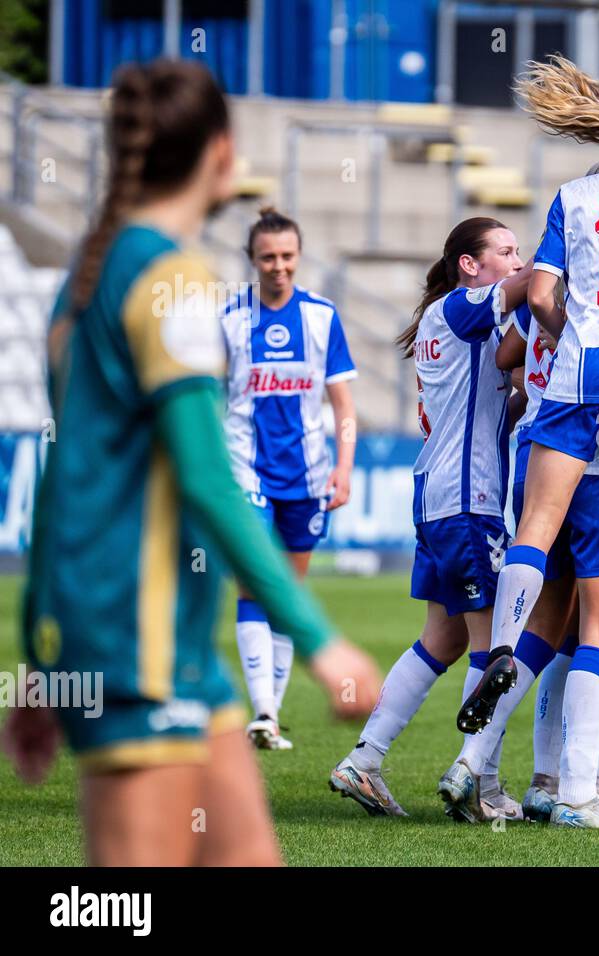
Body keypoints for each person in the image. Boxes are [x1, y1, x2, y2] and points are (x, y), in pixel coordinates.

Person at [3, 60, 378, 866]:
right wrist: (322, 642)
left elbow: (58, 481)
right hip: (133, 653)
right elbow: (208, 480)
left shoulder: (87, 279)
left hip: (175, 658)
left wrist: (39, 669)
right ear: (219, 151)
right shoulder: (173, 283)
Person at [329, 218, 533, 820]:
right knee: (492, 643)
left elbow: (490, 404)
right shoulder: (460, 308)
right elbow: (524, 291)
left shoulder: (448, 324)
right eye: (504, 251)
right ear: (469, 265)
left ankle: (364, 761)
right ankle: (478, 780)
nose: (516, 260)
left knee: (438, 639)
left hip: (439, 498)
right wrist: (574, 249)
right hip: (470, 501)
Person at [222, 206, 358, 750]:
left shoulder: (322, 317)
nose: (278, 267)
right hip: (244, 470)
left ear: (298, 257)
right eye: (268, 257)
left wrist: (345, 466)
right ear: (252, 260)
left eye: (287, 257)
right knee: (257, 582)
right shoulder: (228, 319)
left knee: (288, 589)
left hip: (308, 477)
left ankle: (270, 717)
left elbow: (343, 404)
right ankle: (261, 710)